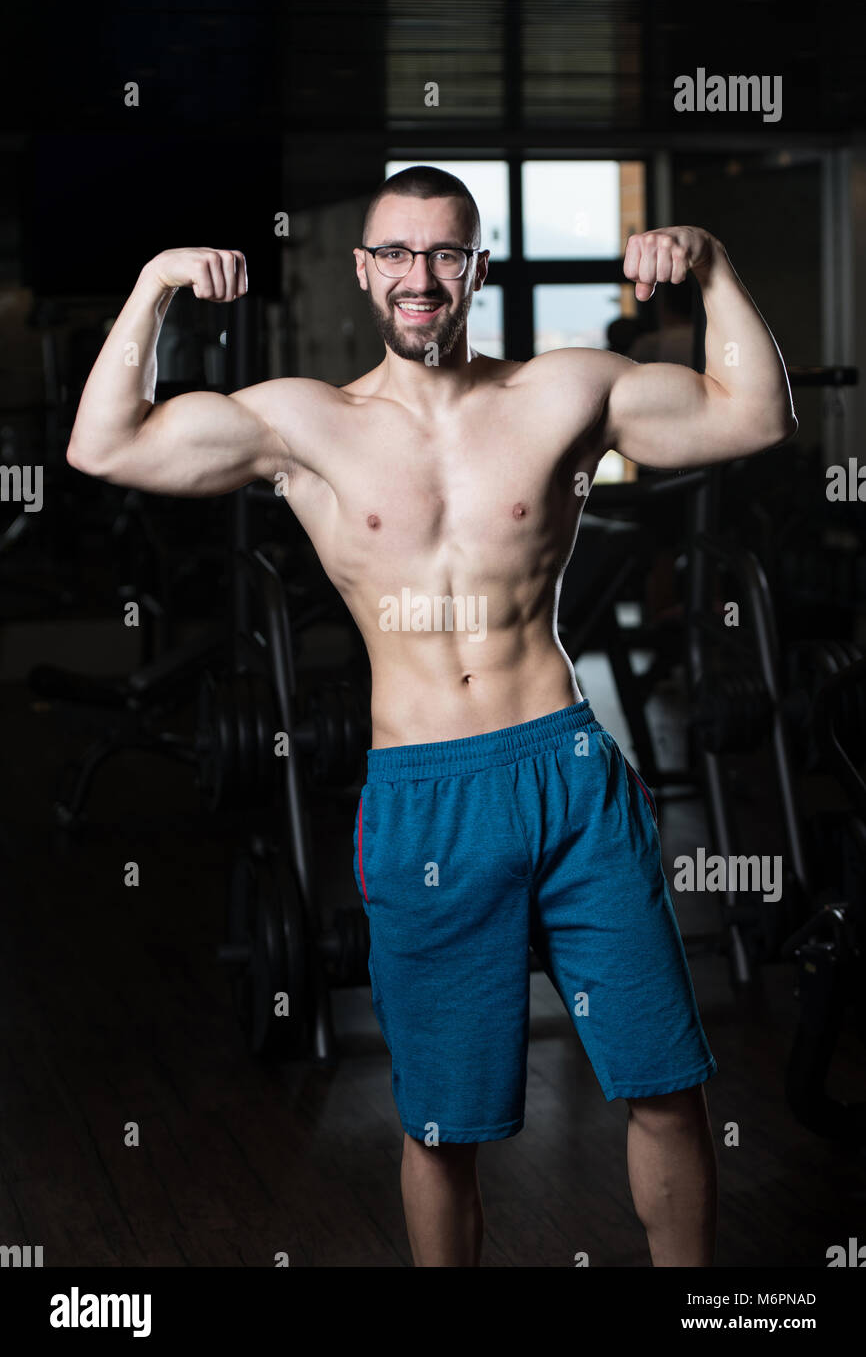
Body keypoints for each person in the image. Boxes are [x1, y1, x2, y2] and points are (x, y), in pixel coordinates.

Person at [66, 165, 798, 1268]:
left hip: (565, 774)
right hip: (426, 802)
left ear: (476, 269)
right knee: (442, 1128)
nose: (421, 277)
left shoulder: (563, 391)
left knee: (662, 1083)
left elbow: (755, 414)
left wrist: (712, 268)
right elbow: (101, 445)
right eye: (397, 255)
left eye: (445, 253)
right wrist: (157, 281)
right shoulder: (305, 423)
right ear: (365, 271)